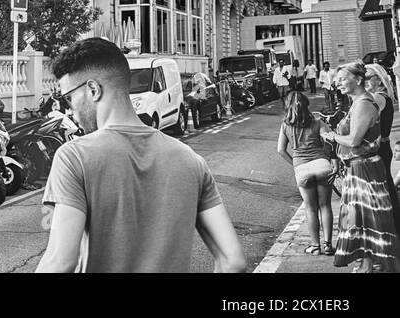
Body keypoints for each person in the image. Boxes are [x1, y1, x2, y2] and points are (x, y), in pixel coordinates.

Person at [37, 37, 245, 273]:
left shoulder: (73, 157)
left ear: (93, 89)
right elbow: (233, 261)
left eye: (68, 98)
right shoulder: (191, 160)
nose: (70, 109)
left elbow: (60, 262)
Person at [324, 61, 398, 273]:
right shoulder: (358, 102)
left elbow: (355, 140)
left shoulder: (365, 103)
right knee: (360, 218)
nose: (338, 84)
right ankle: (367, 263)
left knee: (370, 218)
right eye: (337, 80)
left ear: (358, 80)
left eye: (343, 79)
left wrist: (331, 136)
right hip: (357, 168)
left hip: (365, 169)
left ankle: (376, 263)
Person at [276, 90, 335, 255]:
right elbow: (330, 140)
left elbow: (280, 150)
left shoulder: (285, 125)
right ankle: (328, 245)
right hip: (322, 166)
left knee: (310, 208)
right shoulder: (318, 122)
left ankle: (315, 246)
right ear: (307, 105)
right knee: (325, 206)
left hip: (302, 168)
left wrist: (295, 165)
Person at [364, 64, 400, 226]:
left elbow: (367, 124)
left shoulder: (378, 97)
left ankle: (392, 226)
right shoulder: (382, 95)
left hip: (379, 148)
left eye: (367, 78)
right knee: (387, 187)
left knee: (383, 190)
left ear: (378, 79)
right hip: (383, 146)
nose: (363, 81)